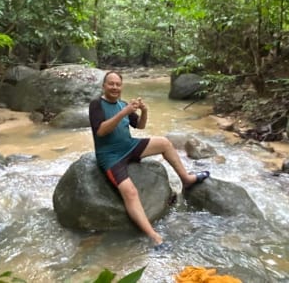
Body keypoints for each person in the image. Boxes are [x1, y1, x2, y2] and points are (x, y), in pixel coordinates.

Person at [88, 70, 210, 249]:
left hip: (129, 146)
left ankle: (186, 178)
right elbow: (101, 131)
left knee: (165, 143)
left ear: (121, 86)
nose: (115, 87)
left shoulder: (122, 104)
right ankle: (154, 236)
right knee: (130, 193)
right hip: (110, 156)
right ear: (104, 86)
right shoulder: (96, 105)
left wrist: (144, 111)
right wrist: (124, 112)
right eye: (111, 84)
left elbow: (140, 126)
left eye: (118, 84)